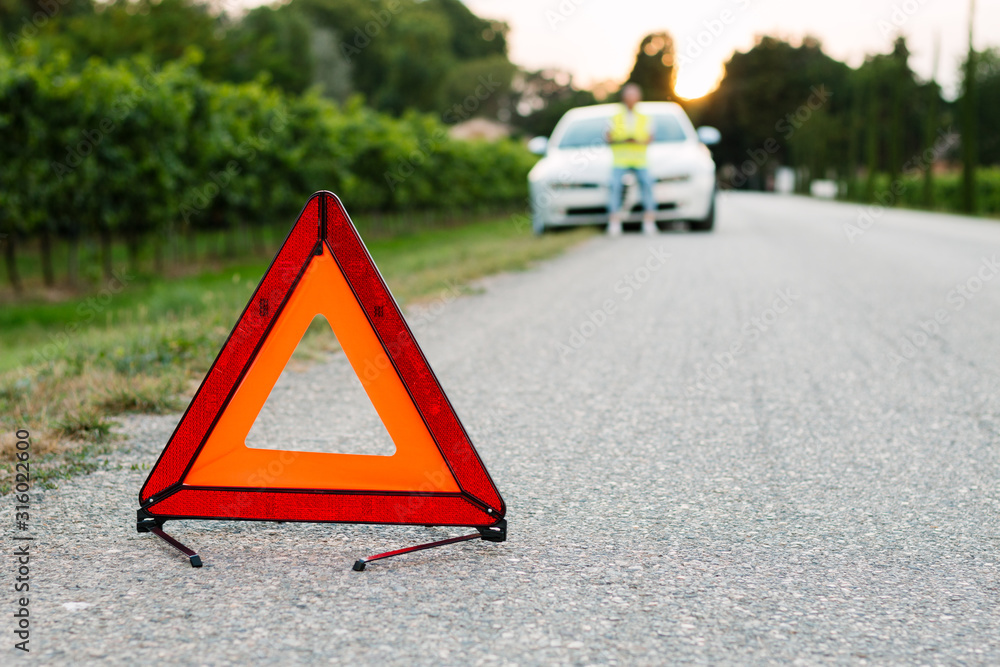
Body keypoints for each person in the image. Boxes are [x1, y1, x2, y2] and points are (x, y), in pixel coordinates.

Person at [605, 82, 657, 236]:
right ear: (624, 97)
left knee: (647, 185)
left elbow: (650, 138)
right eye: (629, 95)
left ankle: (649, 221)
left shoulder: (645, 117)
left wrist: (637, 141)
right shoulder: (615, 116)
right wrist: (623, 140)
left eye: (634, 95)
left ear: (638, 97)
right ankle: (614, 222)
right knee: (614, 187)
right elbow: (607, 137)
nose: (631, 98)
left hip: (640, 160)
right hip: (620, 160)